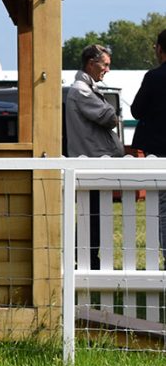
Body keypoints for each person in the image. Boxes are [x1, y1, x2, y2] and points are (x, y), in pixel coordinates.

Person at [65, 44, 125, 269]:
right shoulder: (82, 90)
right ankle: (87, 261)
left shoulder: (86, 88)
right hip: (91, 164)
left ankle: (88, 260)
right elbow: (108, 116)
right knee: (91, 218)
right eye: (105, 64)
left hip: (93, 163)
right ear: (91, 63)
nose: (107, 70)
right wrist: (113, 112)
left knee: (92, 217)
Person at [131, 29, 166, 257]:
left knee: (163, 209)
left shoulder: (154, 77)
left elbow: (136, 110)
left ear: (160, 49)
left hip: (159, 153)